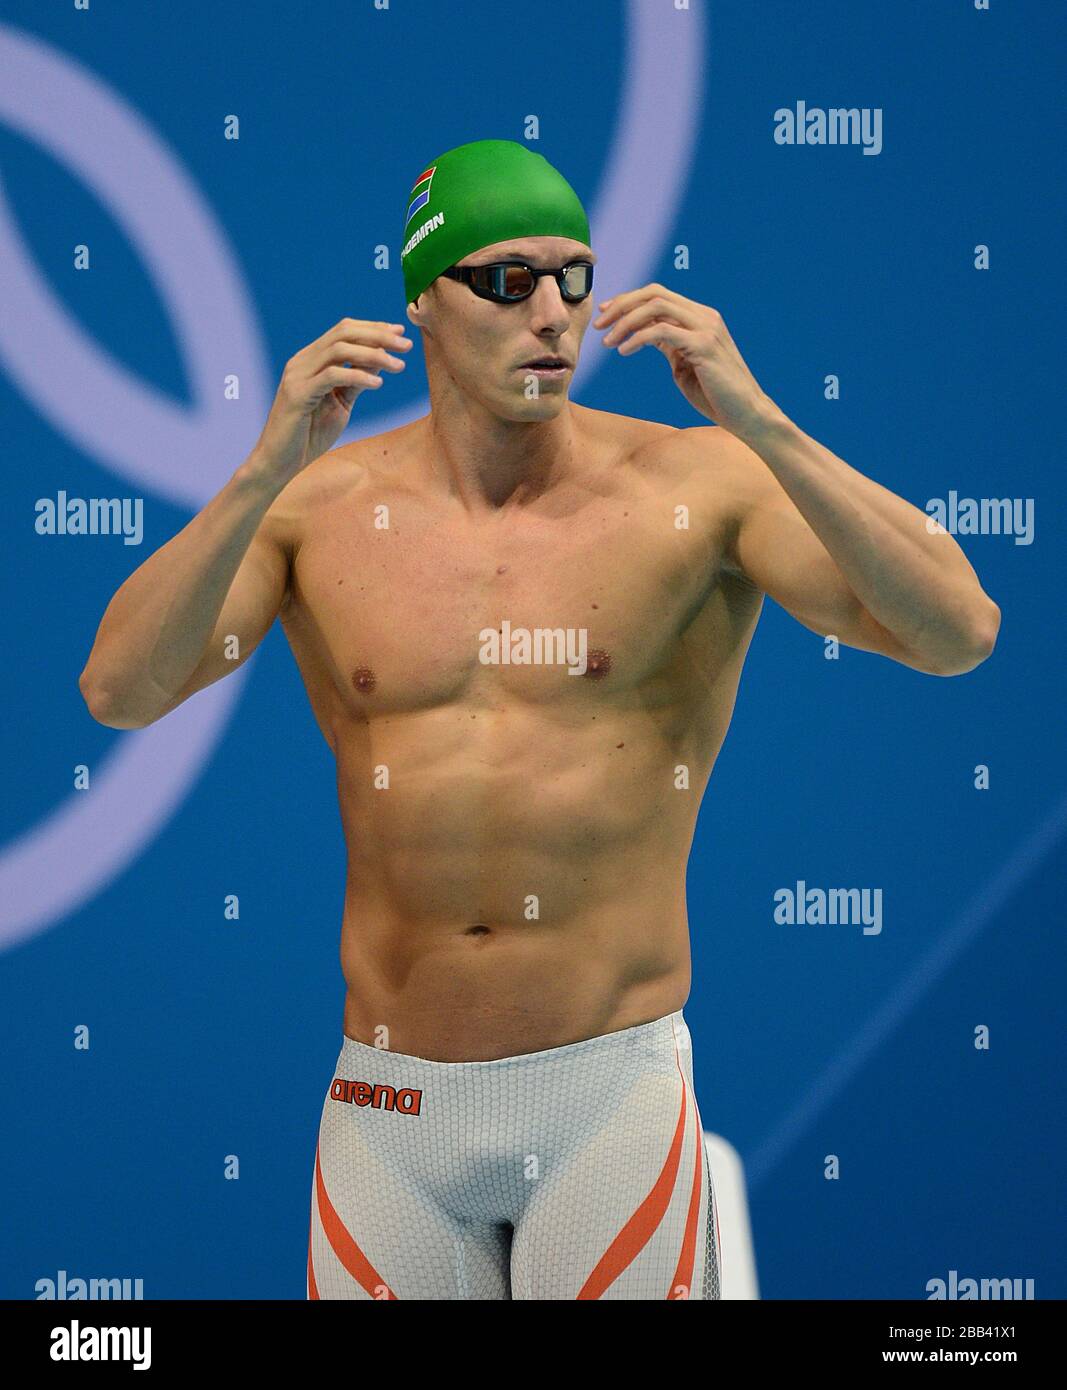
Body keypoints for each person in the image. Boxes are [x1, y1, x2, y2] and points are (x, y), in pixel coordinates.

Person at [79, 138, 1000, 1299]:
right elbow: (120, 690)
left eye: (572, 274)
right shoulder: (320, 511)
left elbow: (956, 630)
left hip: (604, 1099)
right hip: (386, 1106)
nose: (553, 312)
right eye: (507, 280)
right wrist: (259, 471)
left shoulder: (694, 488)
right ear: (422, 298)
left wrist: (762, 422)